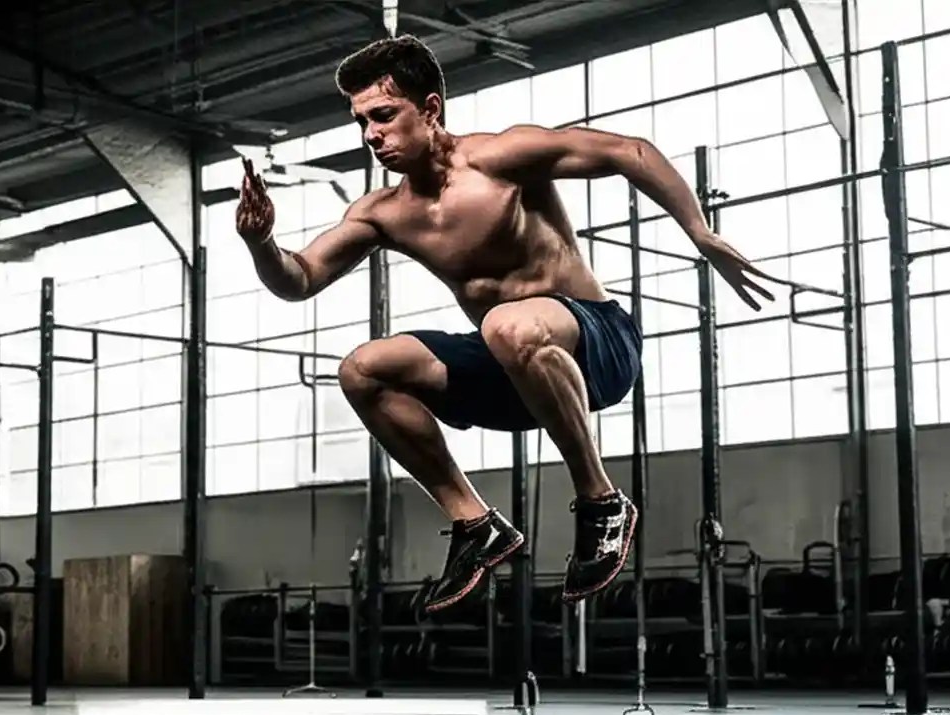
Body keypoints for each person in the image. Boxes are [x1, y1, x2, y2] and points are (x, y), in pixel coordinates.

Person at [235, 35, 776, 614]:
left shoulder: (502, 158)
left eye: (385, 116)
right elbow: (299, 280)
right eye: (363, 121)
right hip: (512, 369)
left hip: (597, 346)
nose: (372, 135)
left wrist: (700, 232)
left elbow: (631, 151)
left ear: (431, 108)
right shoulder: (382, 213)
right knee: (363, 370)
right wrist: (261, 240)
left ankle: (602, 502)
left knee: (506, 325)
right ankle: (474, 525)